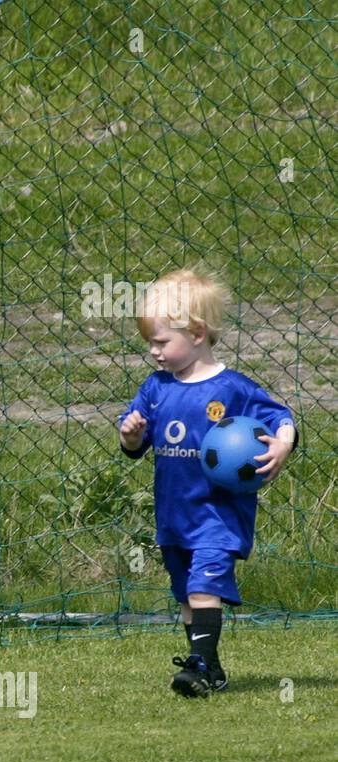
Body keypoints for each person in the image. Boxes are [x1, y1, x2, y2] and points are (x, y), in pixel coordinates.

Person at [117, 268, 297, 697]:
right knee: (185, 594)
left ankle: (197, 666)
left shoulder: (233, 387)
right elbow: (134, 441)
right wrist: (131, 434)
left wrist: (283, 444)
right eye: (150, 344)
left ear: (197, 333)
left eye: (161, 342)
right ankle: (210, 668)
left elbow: (281, 416)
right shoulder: (155, 388)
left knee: (202, 586)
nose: (154, 352)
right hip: (175, 515)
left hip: (218, 514)